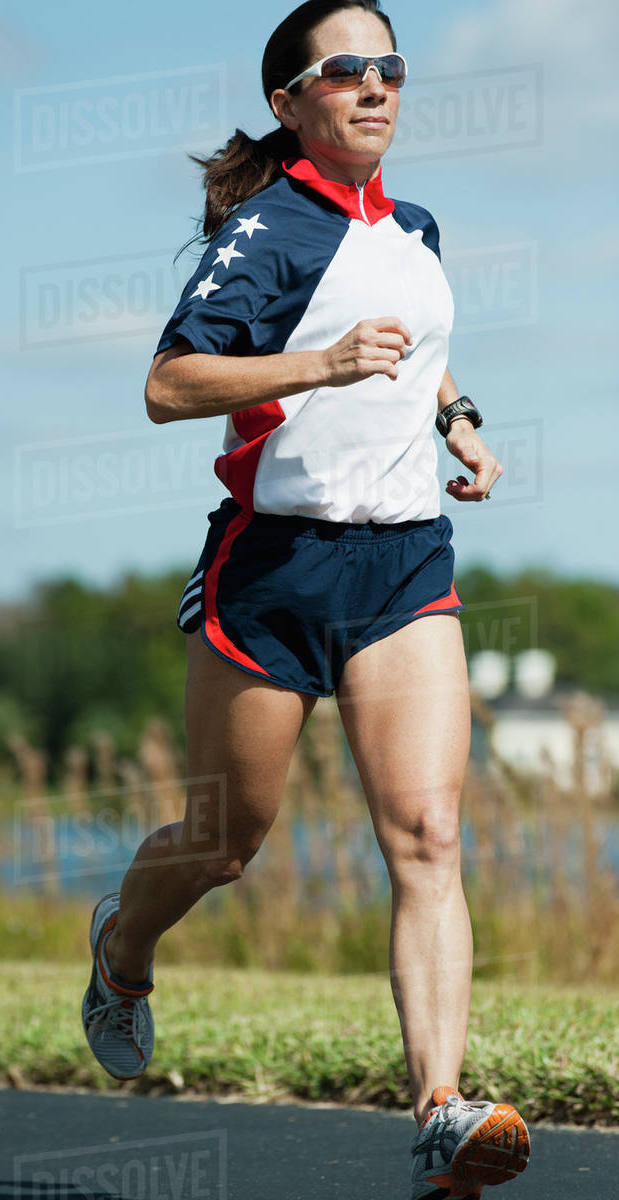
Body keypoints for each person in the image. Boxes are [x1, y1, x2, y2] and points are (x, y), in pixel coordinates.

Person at [81, 3, 531, 1197]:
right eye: (347, 71)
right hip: (273, 567)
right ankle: (123, 954)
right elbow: (169, 384)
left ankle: (442, 1108)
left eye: (391, 67)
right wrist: (320, 366)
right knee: (225, 842)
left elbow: (417, 344)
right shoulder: (267, 233)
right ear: (291, 101)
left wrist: (458, 420)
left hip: (404, 565)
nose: (377, 87)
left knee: (429, 836)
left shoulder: (414, 221)